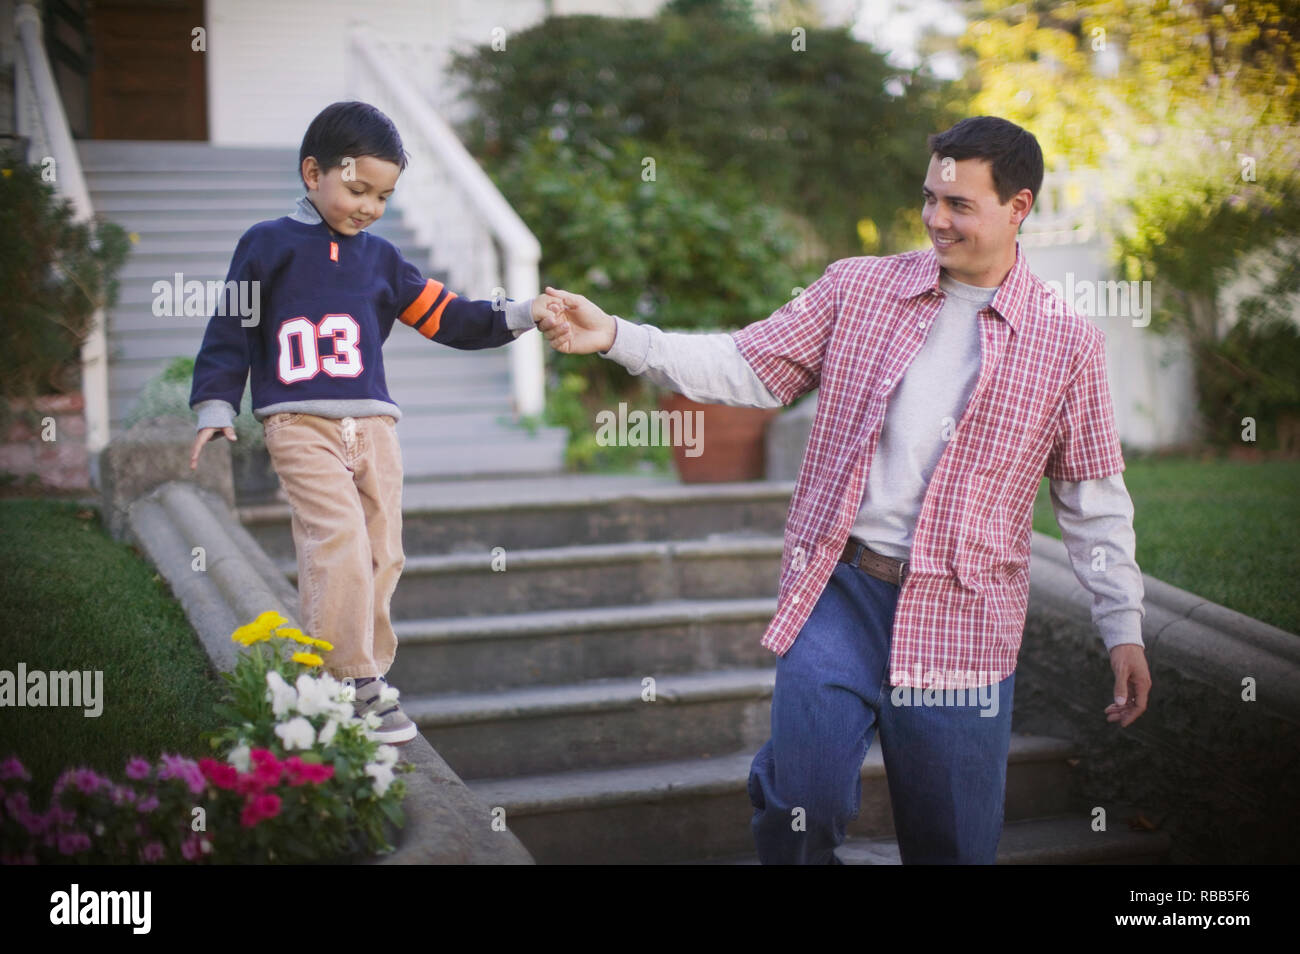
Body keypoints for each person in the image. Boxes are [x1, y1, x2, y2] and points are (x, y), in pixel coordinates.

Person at [538, 116, 1153, 863]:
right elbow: (746, 363)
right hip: (841, 590)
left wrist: (1122, 623)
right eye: (930, 197)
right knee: (805, 801)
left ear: (1018, 208)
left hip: (962, 616)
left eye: (959, 204)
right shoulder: (859, 288)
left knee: (953, 841)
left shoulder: (1067, 342)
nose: (936, 217)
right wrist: (618, 337)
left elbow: (1092, 498)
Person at [188, 101, 560, 744]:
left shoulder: (383, 261)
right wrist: (217, 405)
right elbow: (230, 328)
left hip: (375, 428)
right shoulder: (267, 244)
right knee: (336, 539)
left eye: (383, 197)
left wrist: (525, 312)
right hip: (299, 422)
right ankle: (345, 679)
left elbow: (452, 320)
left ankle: (364, 672)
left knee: (384, 551)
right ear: (313, 172)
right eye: (358, 189)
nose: (369, 206)